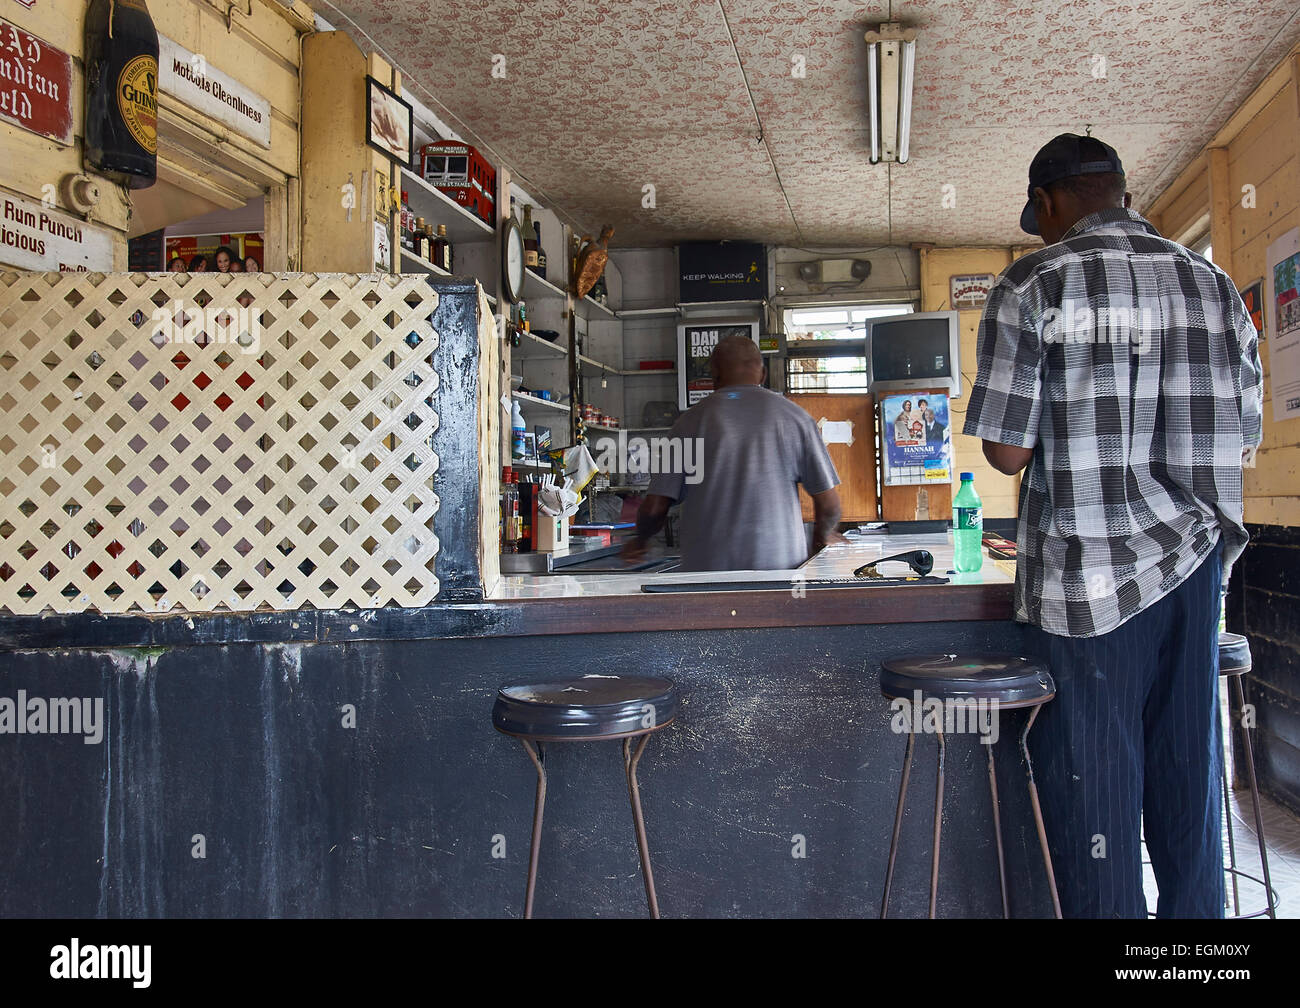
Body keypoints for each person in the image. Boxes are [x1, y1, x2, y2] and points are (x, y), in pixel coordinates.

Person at [963, 133, 1263, 918]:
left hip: (1088, 578)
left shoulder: (1035, 281)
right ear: (1124, 194)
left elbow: (1004, 450)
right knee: (1189, 776)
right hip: (1196, 566)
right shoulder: (1215, 283)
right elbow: (1247, 430)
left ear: (1052, 203)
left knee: (1094, 790)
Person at [622, 334, 842, 571]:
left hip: (707, 576)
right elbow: (829, 506)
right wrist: (820, 539)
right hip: (780, 572)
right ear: (763, 374)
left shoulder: (688, 423)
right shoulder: (797, 419)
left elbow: (655, 508)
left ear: (714, 377)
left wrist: (640, 540)